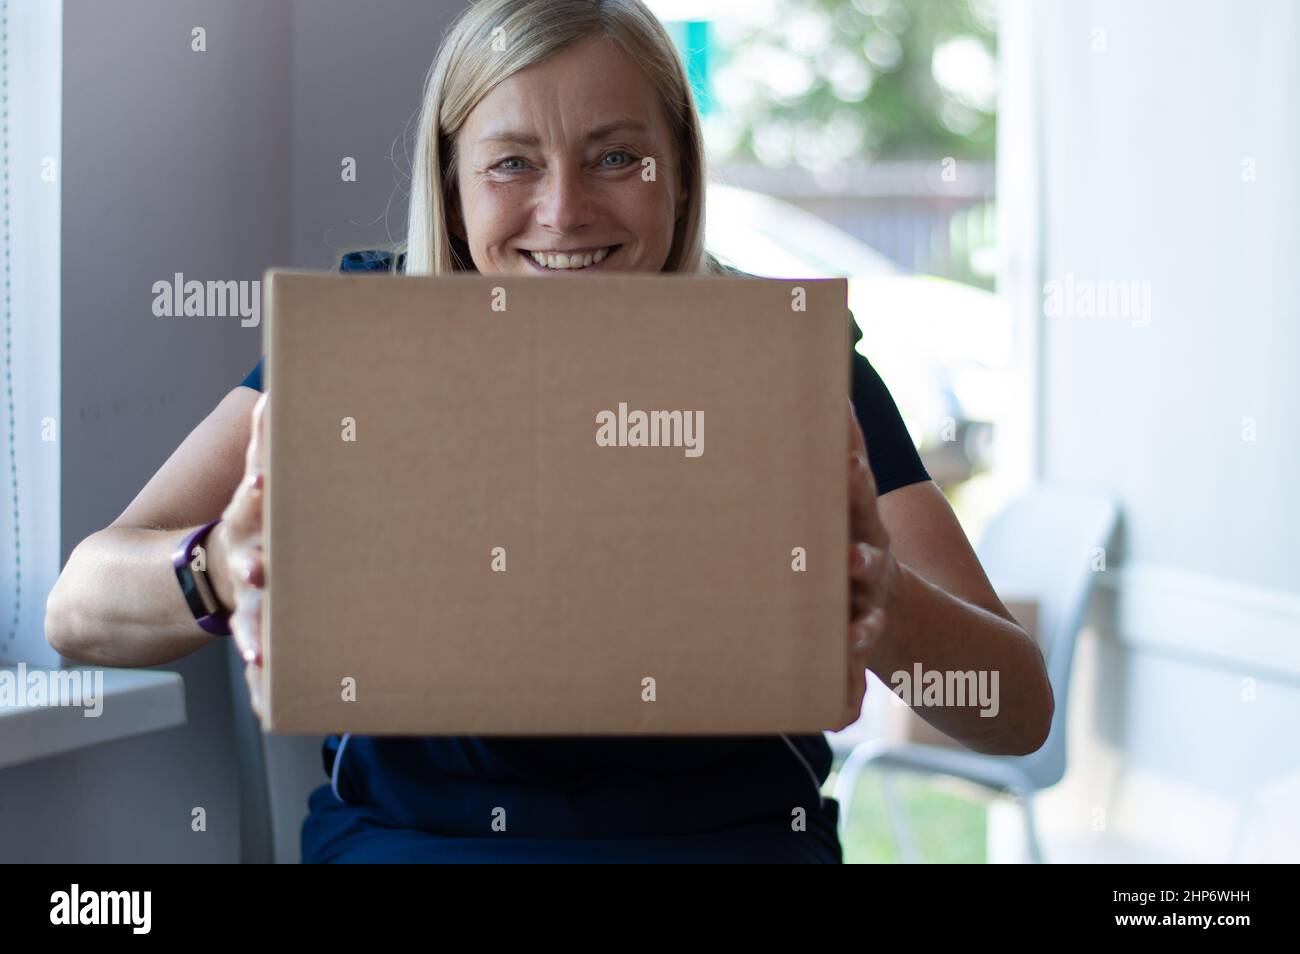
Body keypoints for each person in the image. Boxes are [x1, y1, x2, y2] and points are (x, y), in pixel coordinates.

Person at [45, 0, 1053, 863]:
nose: (563, 210)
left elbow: (1015, 715)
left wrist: (886, 602)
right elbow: (80, 607)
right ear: (451, 183)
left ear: (681, 176)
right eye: (513, 163)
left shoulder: (795, 363)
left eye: (616, 156)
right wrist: (217, 567)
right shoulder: (356, 353)